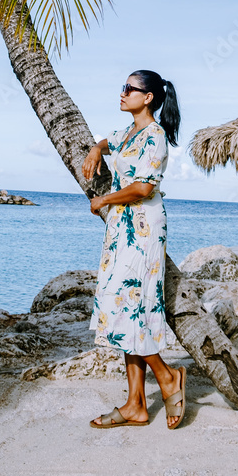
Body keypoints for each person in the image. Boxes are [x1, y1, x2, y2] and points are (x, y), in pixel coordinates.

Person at [82, 70, 186, 430]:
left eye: (130, 89)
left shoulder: (155, 137)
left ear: (149, 98)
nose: (123, 93)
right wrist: (96, 149)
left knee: (132, 307)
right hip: (121, 229)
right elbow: (108, 142)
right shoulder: (127, 132)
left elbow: (143, 188)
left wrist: (104, 199)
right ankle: (136, 405)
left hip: (142, 229)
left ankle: (168, 377)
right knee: (125, 308)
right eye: (123, 87)